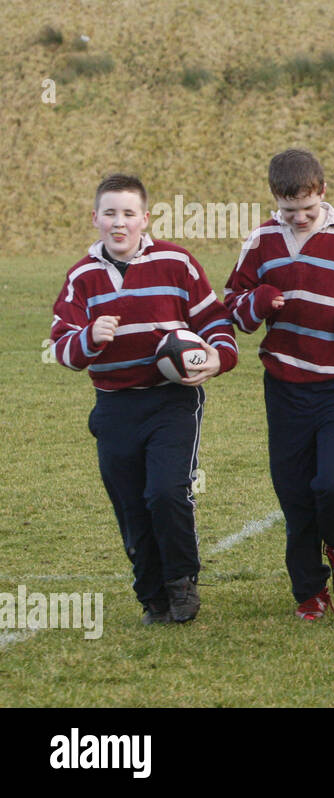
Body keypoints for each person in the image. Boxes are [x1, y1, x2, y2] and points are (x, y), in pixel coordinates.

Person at [51, 173, 238, 625]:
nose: (119, 222)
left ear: (145, 218)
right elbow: (61, 347)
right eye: (110, 213)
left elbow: (214, 319)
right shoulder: (82, 277)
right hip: (114, 407)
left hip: (171, 401)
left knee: (167, 492)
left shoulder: (177, 262)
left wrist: (217, 357)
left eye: (128, 213)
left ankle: (181, 583)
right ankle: (152, 594)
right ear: (95, 218)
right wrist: (89, 338)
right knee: (131, 503)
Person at [224, 149, 334, 620]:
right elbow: (233, 303)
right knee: (294, 491)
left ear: (322, 190)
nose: (298, 219)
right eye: (288, 212)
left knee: (333, 482)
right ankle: (308, 589)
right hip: (285, 383)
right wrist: (257, 300)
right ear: (274, 201)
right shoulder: (261, 240)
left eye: (307, 209)